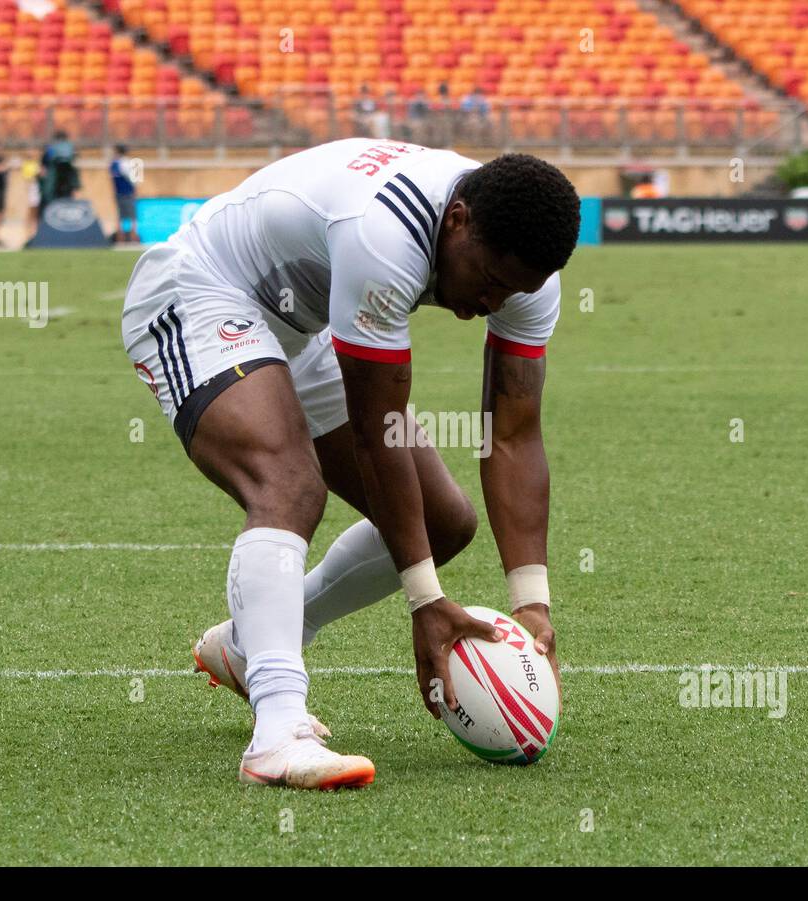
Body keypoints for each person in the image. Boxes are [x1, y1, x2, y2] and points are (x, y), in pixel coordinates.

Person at [121, 138, 579, 789]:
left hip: (297, 319)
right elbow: (377, 432)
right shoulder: (383, 233)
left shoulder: (525, 272)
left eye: (514, 293)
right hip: (201, 289)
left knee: (445, 522)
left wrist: (534, 604)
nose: (490, 305)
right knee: (288, 485)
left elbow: (514, 434)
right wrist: (426, 601)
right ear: (458, 223)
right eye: (489, 281)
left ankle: (253, 643)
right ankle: (278, 732)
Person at [109, 144, 138, 242]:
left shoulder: (113, 164)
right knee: (132, 217)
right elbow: (134, 179)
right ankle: (133, 238)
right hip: (128, 192)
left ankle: (120, 239)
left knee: (120, 216)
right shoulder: (127, 163)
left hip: (119, 192)